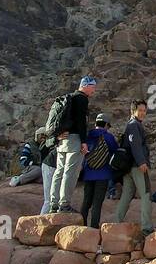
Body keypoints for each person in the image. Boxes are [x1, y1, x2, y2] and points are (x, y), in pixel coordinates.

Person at [47, 76, 97, 213]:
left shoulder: (69, 97)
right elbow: (81, 122)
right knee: (71, 171)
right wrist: (84, 141)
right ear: (86, 85)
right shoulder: (82, 99)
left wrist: (57, 136)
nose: (94, 90)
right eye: (93, 87)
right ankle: (64, 204)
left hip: (63, 139)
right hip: (74, 140)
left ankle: (54, 204)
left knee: (59, 171)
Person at [117, 100, 153, 234]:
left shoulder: (132, 124)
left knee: (127, 195)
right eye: (141, 110)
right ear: (133, 111)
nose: (143, 113)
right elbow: (135, 145)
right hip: (137, 167)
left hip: (129, 168)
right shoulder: (134, 125)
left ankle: (116, 222)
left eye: (145, 110)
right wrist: (142, 162)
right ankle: (146, 227)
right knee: (146, 194)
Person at [78, 114, 119, 229]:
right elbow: (115, 150)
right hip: (103, 174)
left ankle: (82, 226)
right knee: (97, 203)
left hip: (88, 173)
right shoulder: (108, 137)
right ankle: (94, 228)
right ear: (106, 124)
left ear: (96, 124)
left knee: (86, 201)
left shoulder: (87, 136)